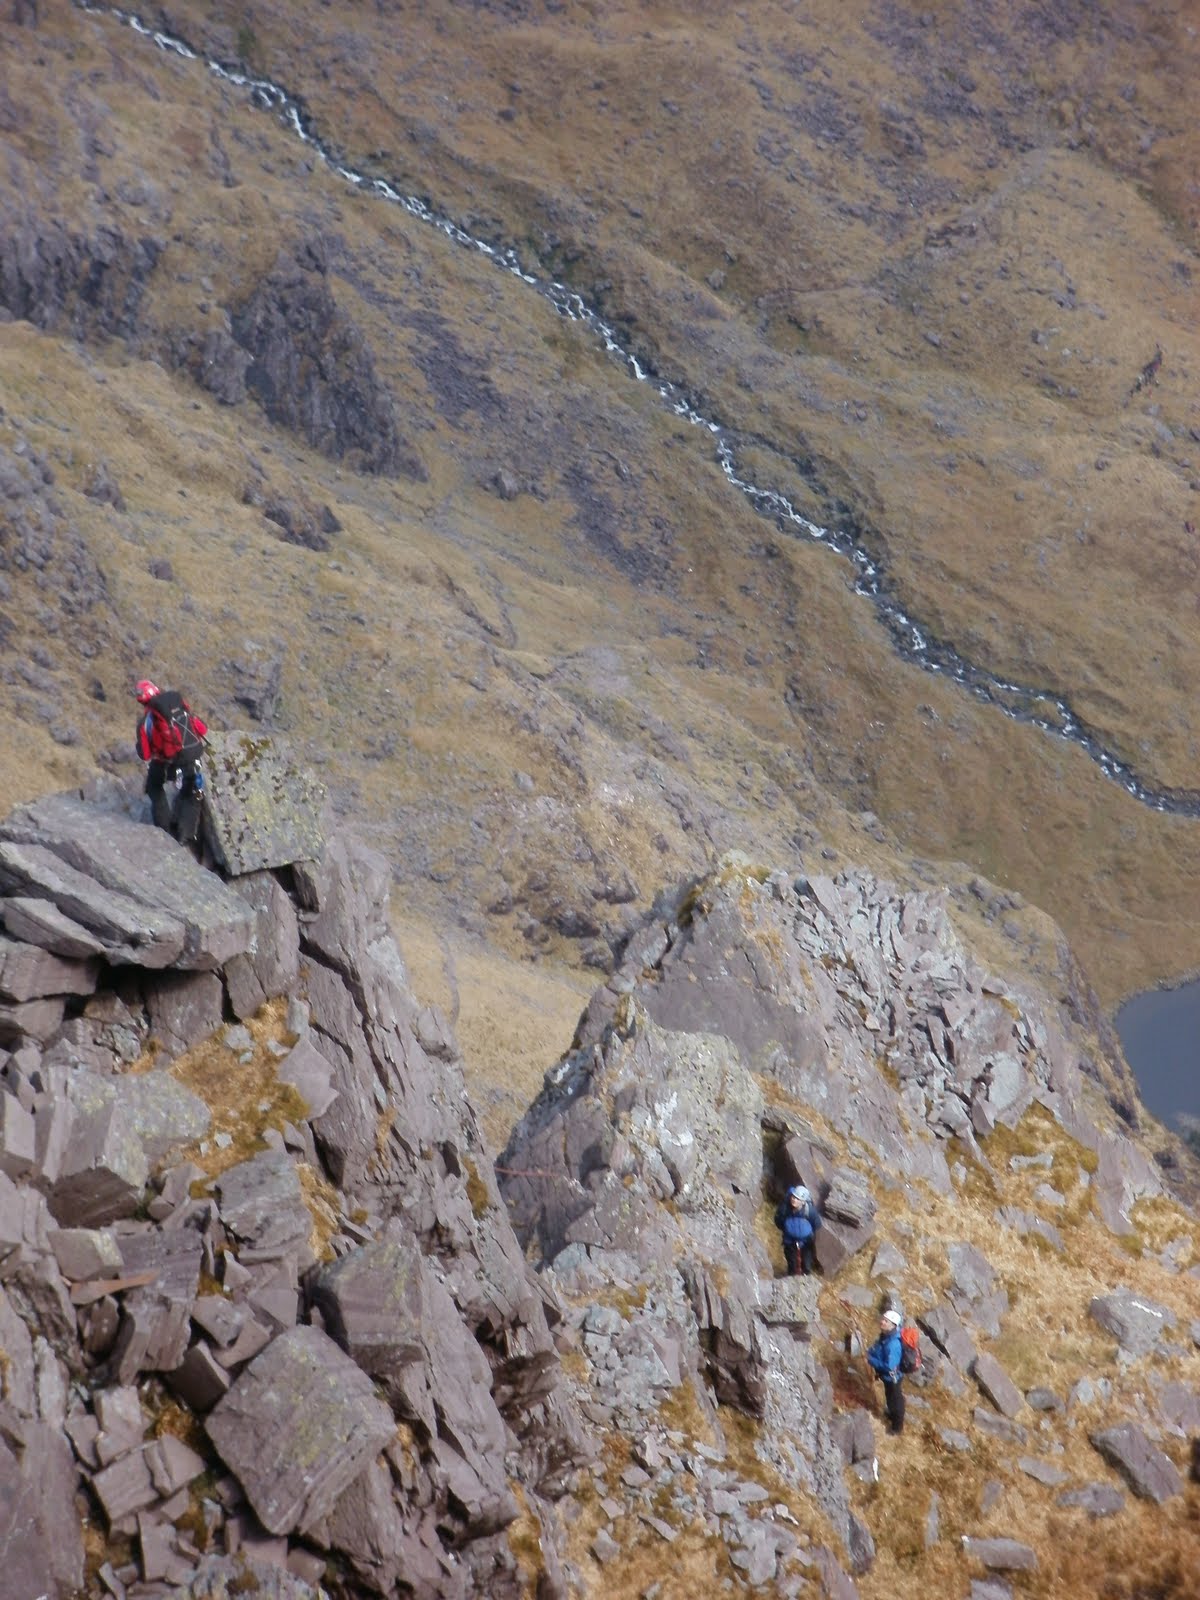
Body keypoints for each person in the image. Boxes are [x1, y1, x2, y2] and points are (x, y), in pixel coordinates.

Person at [135, 679, 208, 844]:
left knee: (154, 788)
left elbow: (145, 754)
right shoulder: (181, 709)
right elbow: (203, 729)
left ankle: (165, 830)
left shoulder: (145, 723)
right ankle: (186, 835)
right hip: (191, 757)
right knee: (192, 794)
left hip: (164, 763)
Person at [867, 1308, 905, 1434]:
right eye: (883, 1319)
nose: (882, 1322)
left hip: (893, 1378)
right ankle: (892, 1414)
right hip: (888, 1377)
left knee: (895, 1400)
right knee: (890, 1397)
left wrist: (871, 1360)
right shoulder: (886, 1336)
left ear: (893, 1325)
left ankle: (897, 1427)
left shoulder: (893, 1344)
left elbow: (889, 1366)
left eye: (886, 1321)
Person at [774, 1183, 822, 1275]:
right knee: (792, 1265)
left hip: (806, 1242)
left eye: (797, 1199)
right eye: (793, 1197)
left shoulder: (810, 1211)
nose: (794, 1200)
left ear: (803, 1202)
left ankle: (805, 1277)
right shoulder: (785, 1209)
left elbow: (817, 1224)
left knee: (806, 1266)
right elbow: (778, 1221)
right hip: (789, 1241)